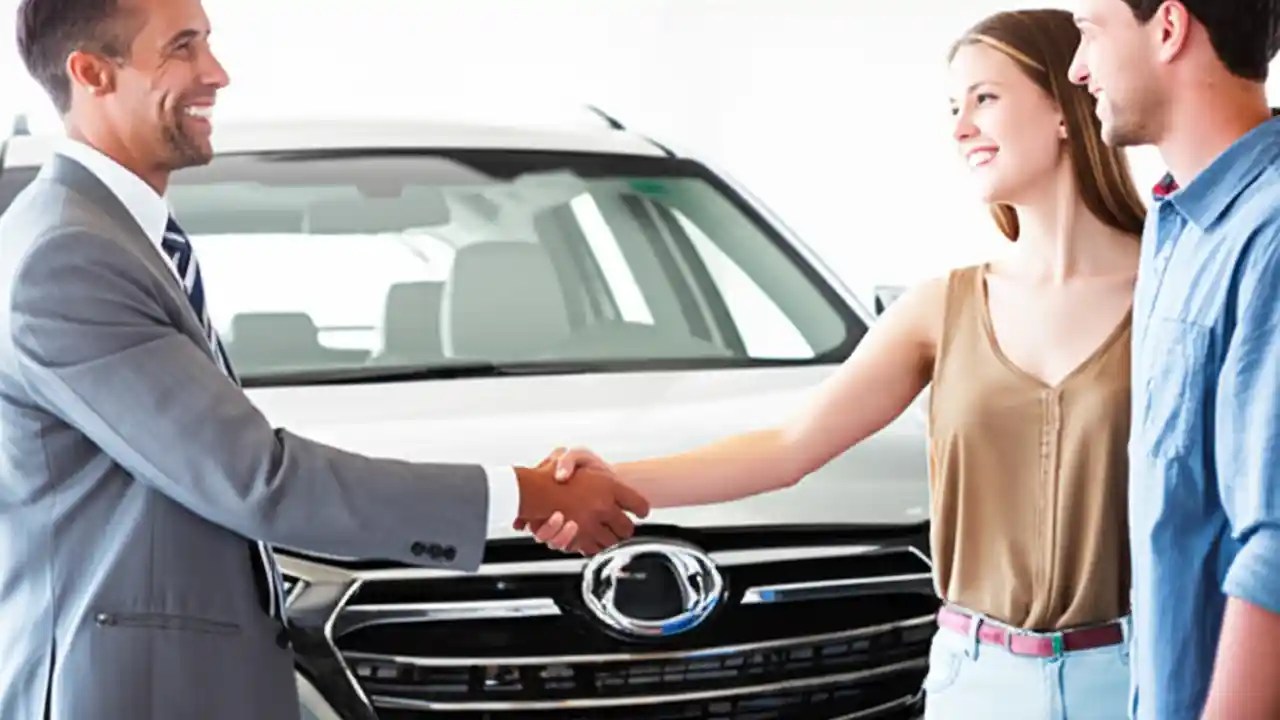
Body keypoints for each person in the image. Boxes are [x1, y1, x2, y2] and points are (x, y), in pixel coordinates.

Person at [0, 0, 649, 717]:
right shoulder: (68, 256)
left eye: (208, 44)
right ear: (91, 72)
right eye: (182, 49)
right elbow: (259, 480)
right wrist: (528, 494)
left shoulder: (112, 235)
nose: (217, 73)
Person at [526, 8, 1149, 718]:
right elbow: (788, 448)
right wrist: (616, 481)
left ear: (1069, 104)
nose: (959, 128)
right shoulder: (939, 308)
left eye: (985, 97)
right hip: (977, 681)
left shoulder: (1174, 287)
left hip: (1137, 675)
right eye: (953, 106)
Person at [1066, 1, 1280, 718]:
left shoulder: (1271, 235)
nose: (1078, 68)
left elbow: (1277, 552)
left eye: (1090, 31)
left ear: (1168, 27)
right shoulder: (1175, 225)